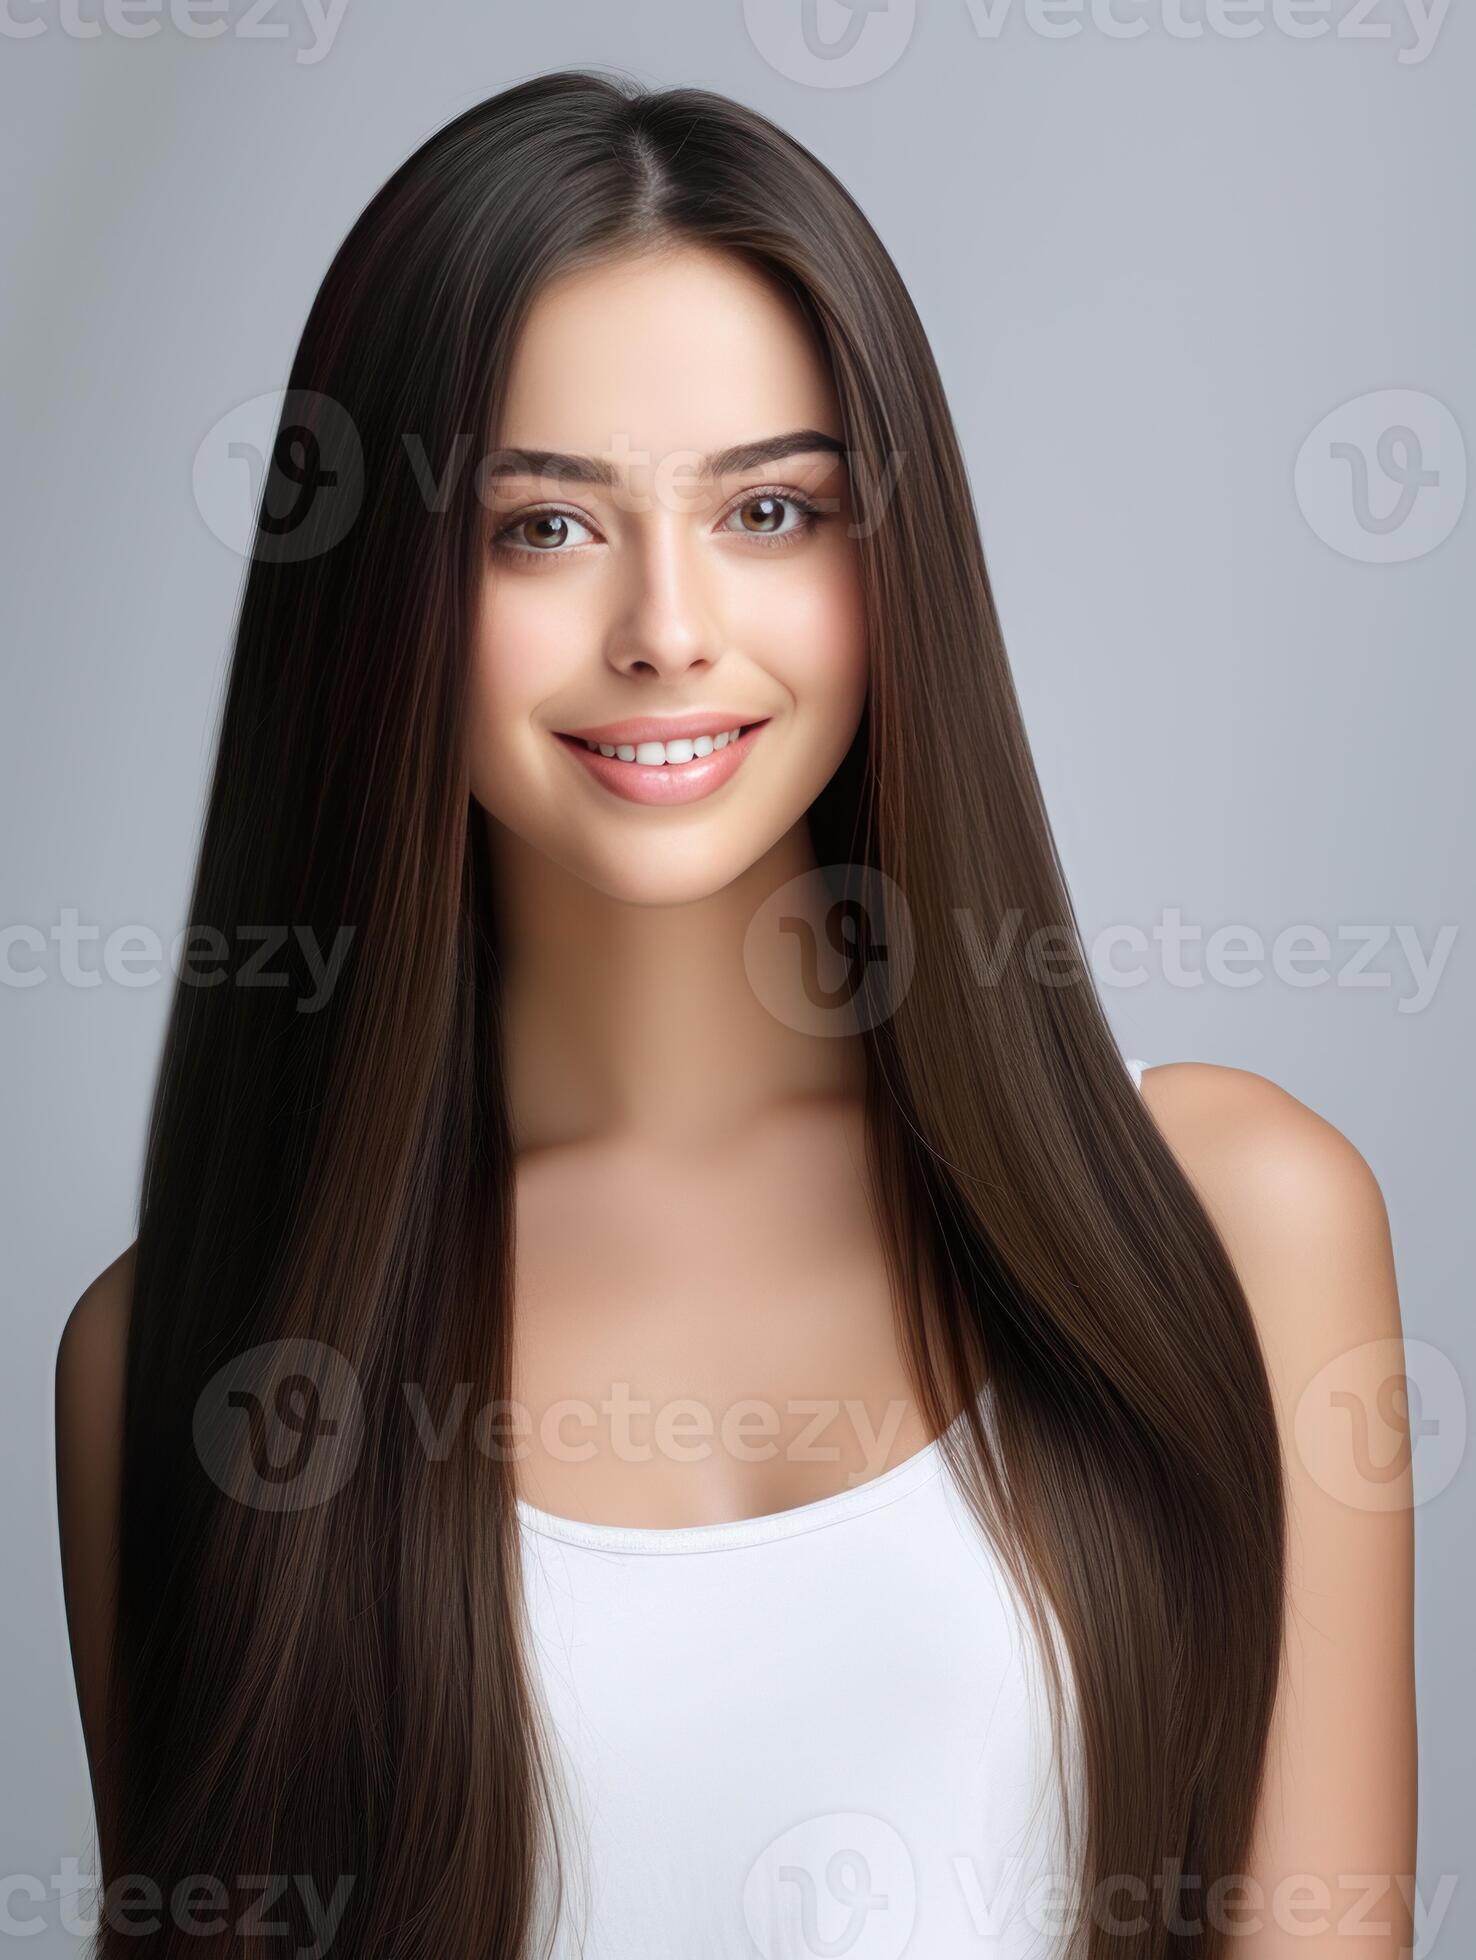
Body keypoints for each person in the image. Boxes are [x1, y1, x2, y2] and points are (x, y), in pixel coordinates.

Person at [55, 69, 1415, 1960]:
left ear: (891, 557)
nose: (669, 626)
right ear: (375, 591)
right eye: (542, 529)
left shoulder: (1241, 1222)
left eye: (771, 507)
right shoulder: (177, 1362)